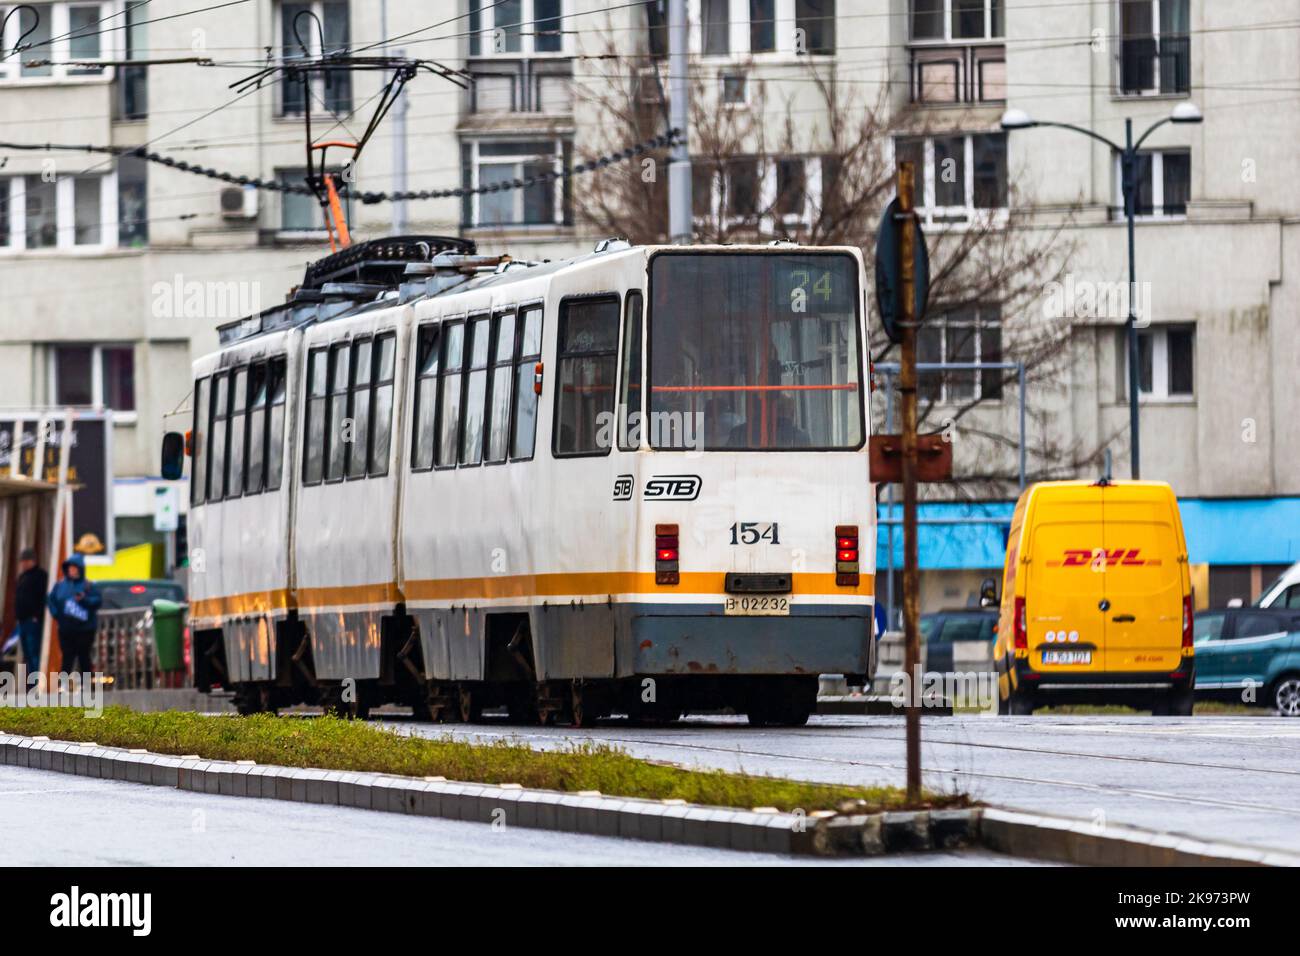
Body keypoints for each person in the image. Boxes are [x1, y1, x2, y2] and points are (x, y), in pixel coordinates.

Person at [46, 553, 101, 676]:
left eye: (74, 568)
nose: (72, 570)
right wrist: (56, 614)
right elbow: (50, 600)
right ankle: (64, 684)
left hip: (85, 629)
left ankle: (86, 684)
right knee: (67, 658)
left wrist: (84, 600)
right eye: (70, 568)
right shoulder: (60, 585)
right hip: (66, 629)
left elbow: (97, 601)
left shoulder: (89, 585)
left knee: (84, 658)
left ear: (80, 569)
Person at [14, 548, 47, 671]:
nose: (23, 563)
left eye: (25, 561)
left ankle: (38, 679)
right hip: (22, 621)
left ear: (32, 561)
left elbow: (44, 597)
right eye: (22, 561)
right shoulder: (22, 576)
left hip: (32, 621)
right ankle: (32, 679)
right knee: (27, 654)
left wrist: (37, 616)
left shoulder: (40, 575)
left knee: (34, 652)